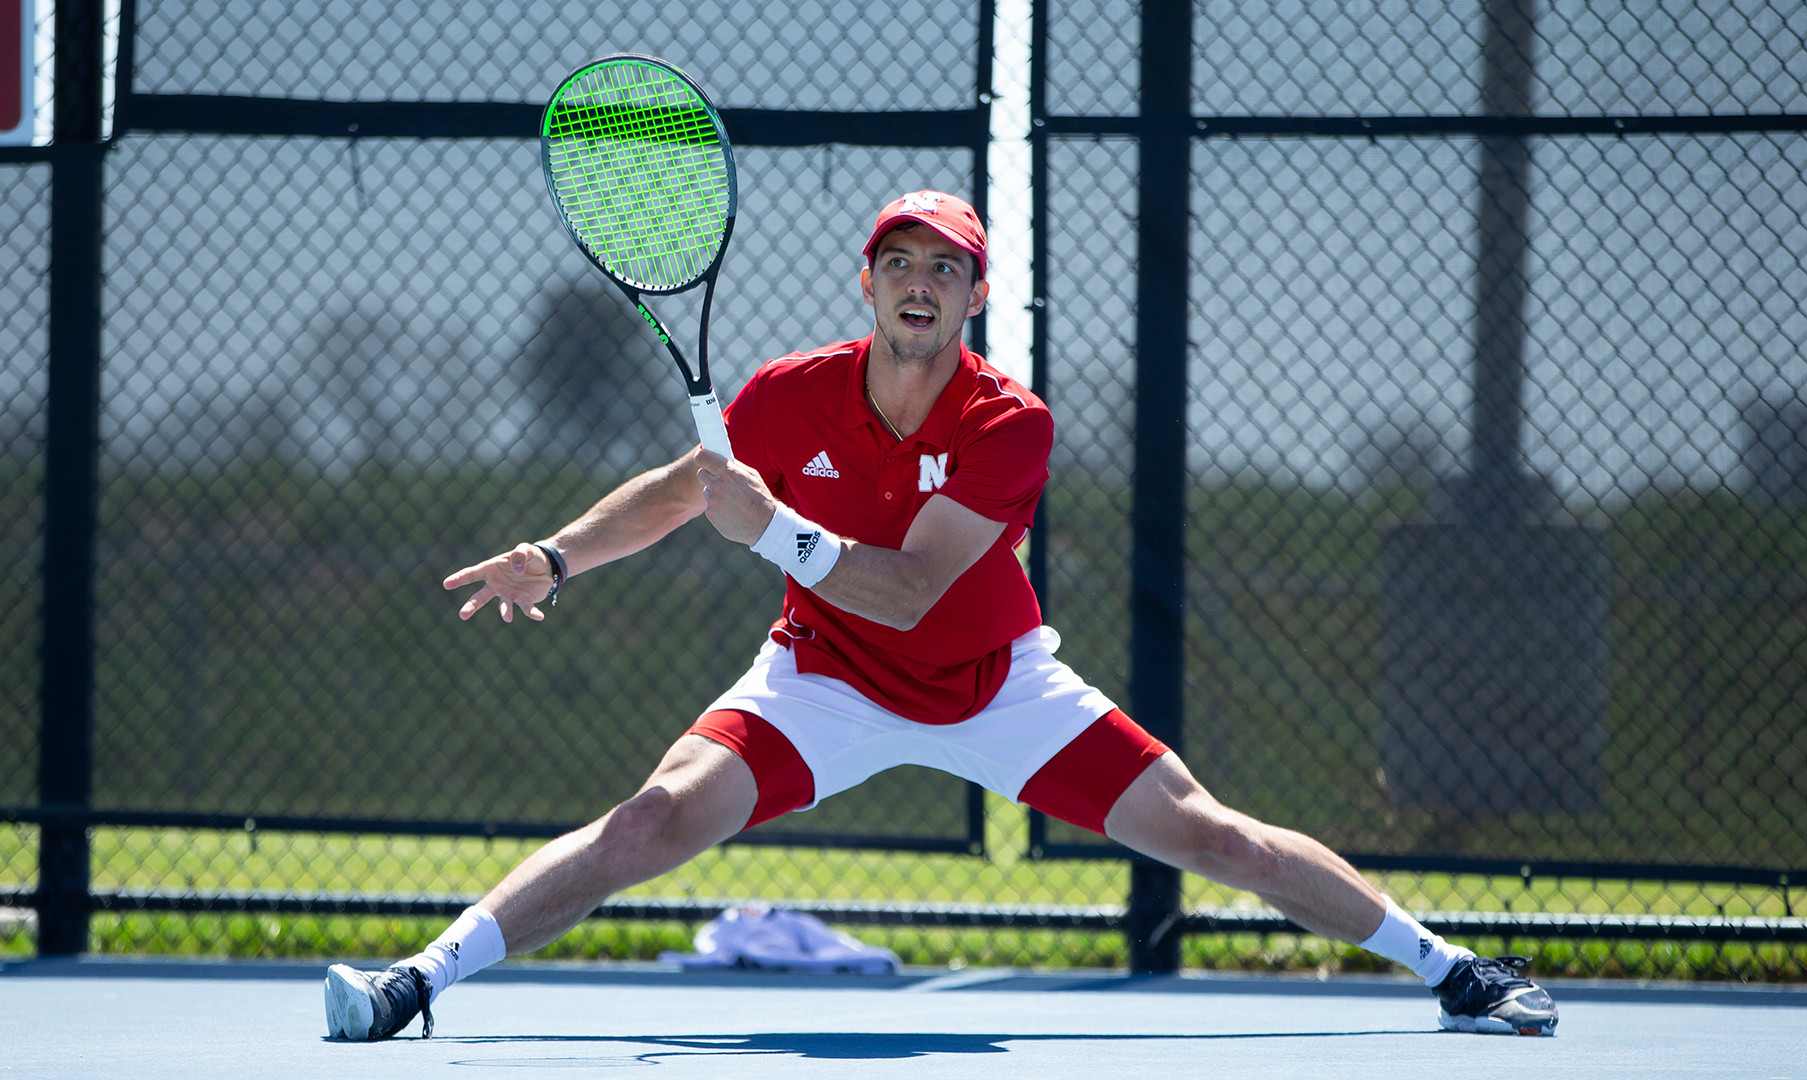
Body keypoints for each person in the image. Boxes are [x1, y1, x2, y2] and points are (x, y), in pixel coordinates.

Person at [323, 190, 1559, 1041]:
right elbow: (682, 490)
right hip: (820, 681)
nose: (922, 283)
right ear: (867, 282)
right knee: (648, 820)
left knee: (1218, 841)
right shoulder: (784, 396)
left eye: (946, 268)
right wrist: (557, 554)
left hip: (996, 686)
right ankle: (415, 983)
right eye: (901, 263)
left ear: (974, 295)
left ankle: (1451, 970)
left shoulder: (1007, 421)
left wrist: (780, 533)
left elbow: (911, 590)